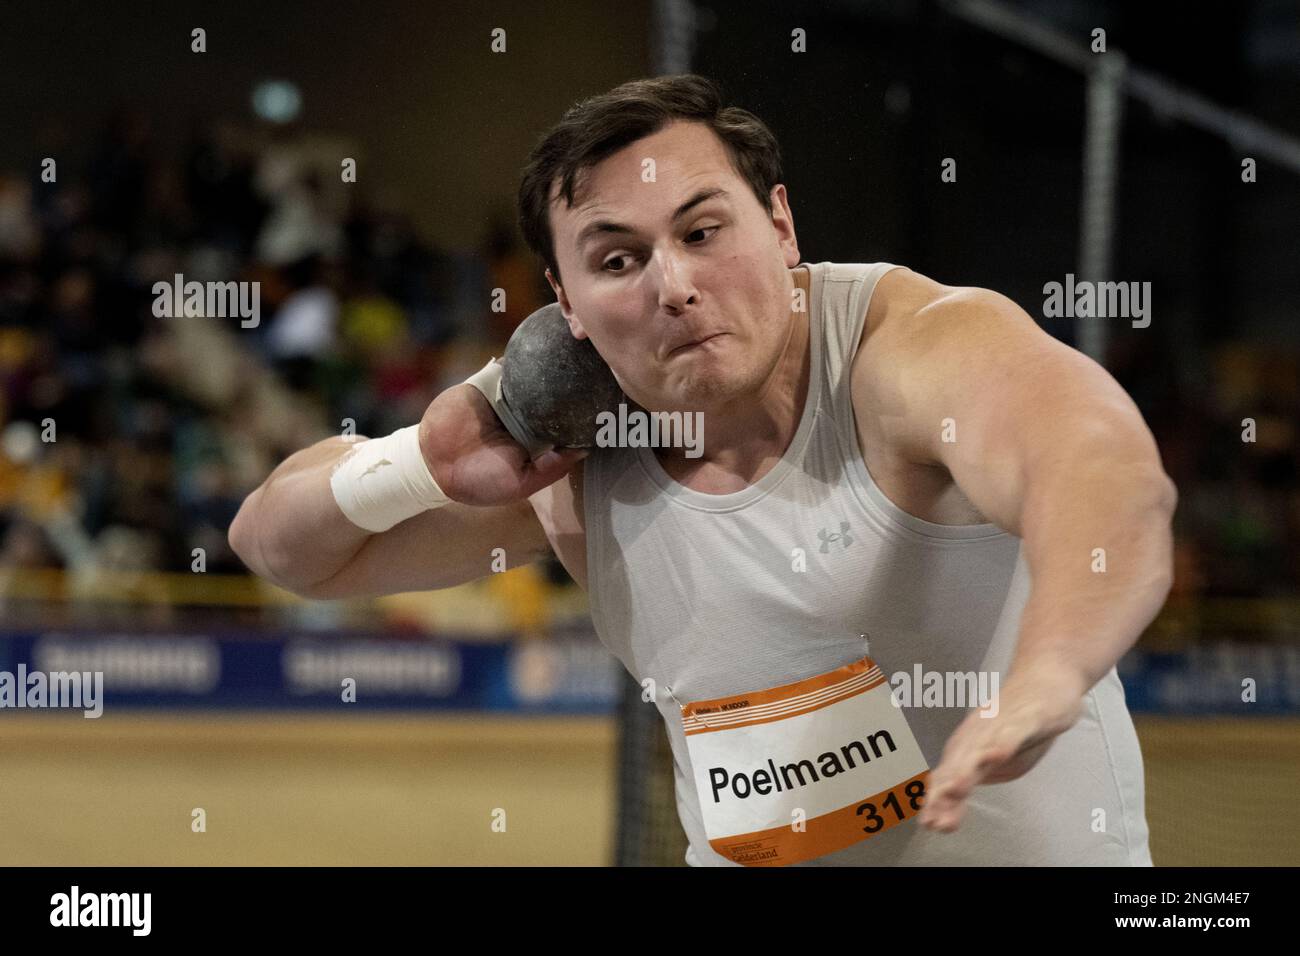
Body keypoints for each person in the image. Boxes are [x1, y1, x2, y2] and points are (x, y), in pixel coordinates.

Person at [229, 74, 1177, 866]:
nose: (672, 285)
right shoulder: (566, 439)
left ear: (781, 227)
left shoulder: (905, 353)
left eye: (703, 231)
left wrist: (1050, 673)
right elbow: (282, 549)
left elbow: (1101, 470)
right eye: (618, 258)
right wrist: (414, 465)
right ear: (567, 304)